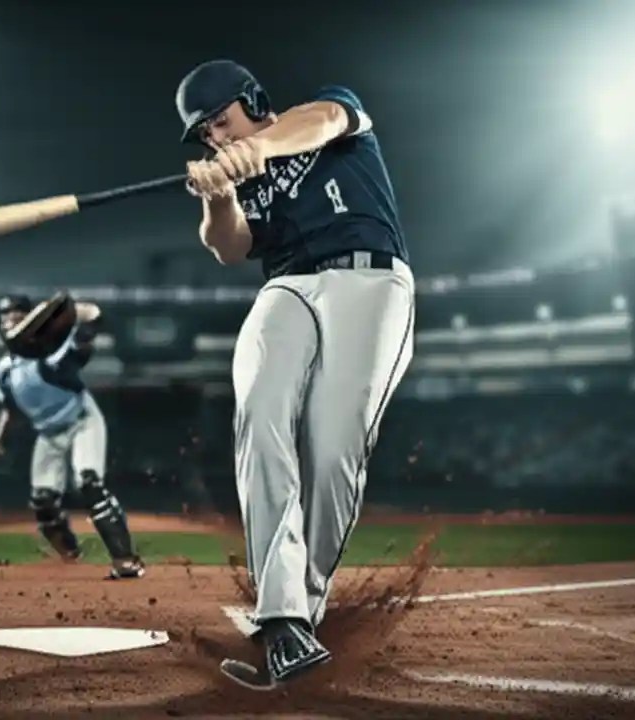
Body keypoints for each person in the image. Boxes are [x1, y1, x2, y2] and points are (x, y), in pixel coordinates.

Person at [176, 59, 416, 685]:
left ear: (253, 100)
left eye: (221, 120)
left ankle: (304, 611)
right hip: (288, 287)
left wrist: (253, 149)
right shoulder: (240, 173)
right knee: (260, 412)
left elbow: (326, 120)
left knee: (333, 451)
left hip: (370, 278)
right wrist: (219, 194)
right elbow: (228, 247)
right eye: (206, 133)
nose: (216, 137)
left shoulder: (324, 112)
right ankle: (282, 620)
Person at [0, 294, 145, 580]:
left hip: (81, 419)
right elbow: (10, 409)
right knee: (43, 501)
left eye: (18, 318)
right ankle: (71, 560)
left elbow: (81, 346)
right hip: (47, 432)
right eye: (6, 319)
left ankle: (126, 560)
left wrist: (86, 318)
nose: (11, 323)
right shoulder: (3, 373)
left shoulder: (50, 355)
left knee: (89, 484)